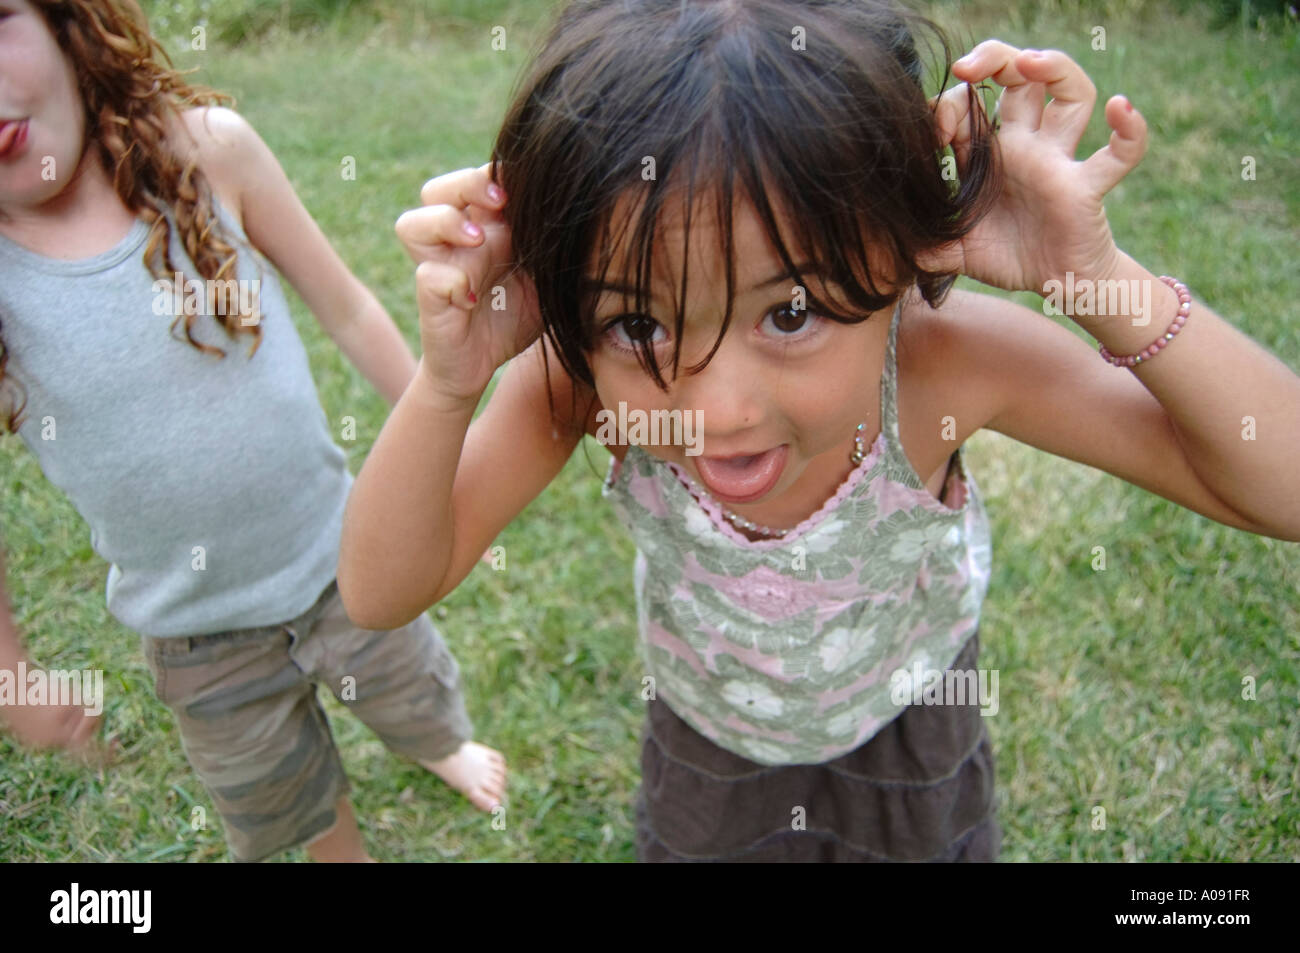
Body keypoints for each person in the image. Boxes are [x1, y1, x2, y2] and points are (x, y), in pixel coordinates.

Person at [339, 0, 1300, 861]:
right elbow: (384, 591)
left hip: (912, 715)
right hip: (707, 730)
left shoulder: (944, 366)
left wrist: (1091, 271)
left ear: (903, 247)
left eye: (790, 313)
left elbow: (1279, 484)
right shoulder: (578, 379)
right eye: (641, 323)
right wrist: (447, 383)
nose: (720, 411)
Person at [0, 0, 505, 862]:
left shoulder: (207, 151)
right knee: (285, 795)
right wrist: (12, 673)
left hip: (348, 555)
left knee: (412, 692)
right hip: (199, 633)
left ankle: (439, 747)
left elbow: (345, 305)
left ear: (63, 19)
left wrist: (457, 449)